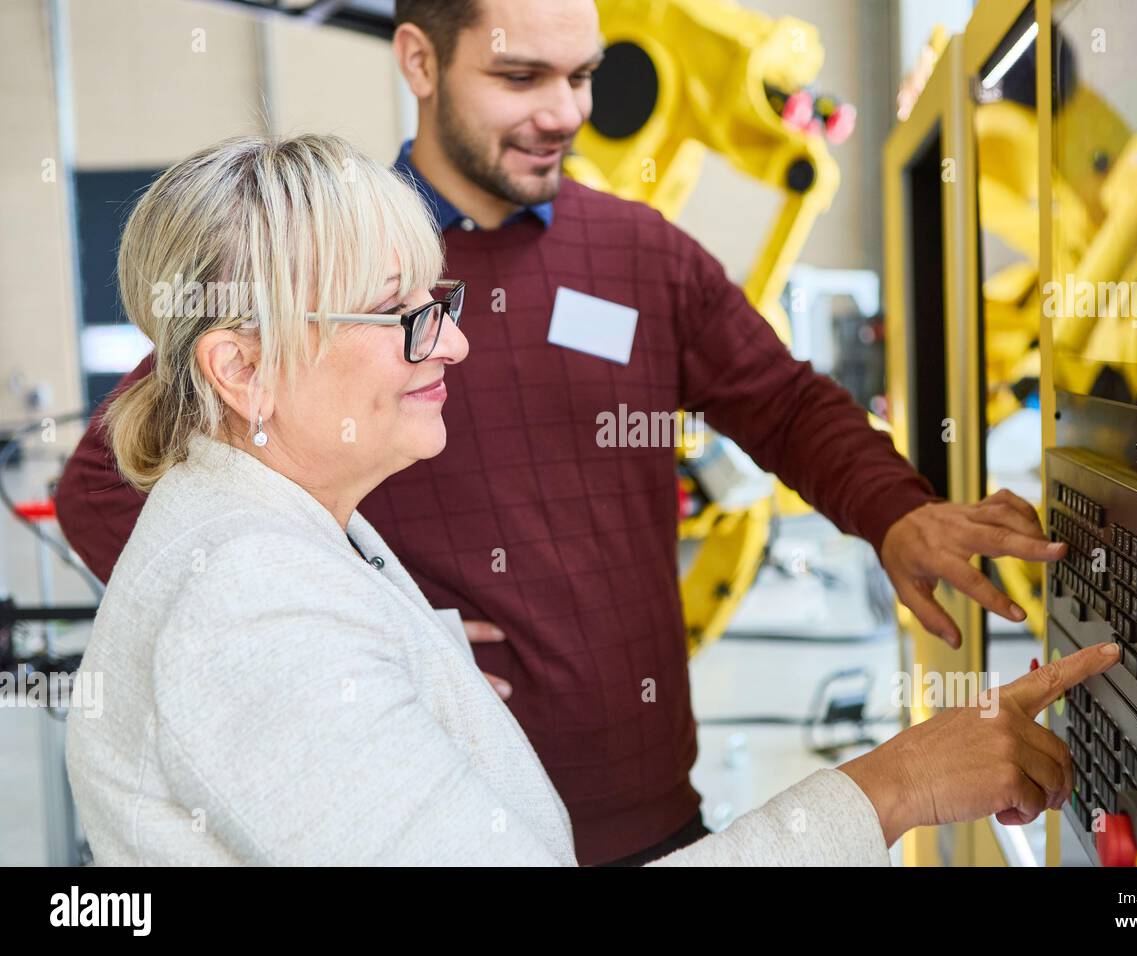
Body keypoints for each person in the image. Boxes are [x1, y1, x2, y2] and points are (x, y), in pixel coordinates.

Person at [54, 0, 1069, 865]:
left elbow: (782, 401)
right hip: (435, 798)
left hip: (645, 806)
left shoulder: (638, 253)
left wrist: (897, 513)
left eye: (585, 78)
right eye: (522, 76)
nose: (565, 113)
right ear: (419, 61)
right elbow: (116, 482)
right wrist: (382, 637)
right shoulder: (316, 278)